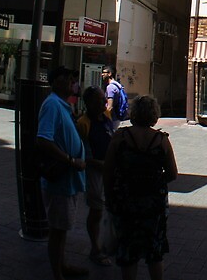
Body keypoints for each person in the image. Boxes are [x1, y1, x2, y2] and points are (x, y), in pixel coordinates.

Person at [104, 95, 178, 280]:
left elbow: (108, 170)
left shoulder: (120, 137)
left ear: (134, 113)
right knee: (154, 251)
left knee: (128, 251)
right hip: (153, 204)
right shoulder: (161, 140)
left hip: (125, 201)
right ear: (154, 114)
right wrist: (154, 182)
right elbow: (172, 173)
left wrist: (110, 196)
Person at [36, 66, 88, 280]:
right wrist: (70, 160)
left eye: (73, 79)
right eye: (68, 79)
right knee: (57, 230)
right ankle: (58, 273)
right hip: (59, 180)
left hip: (68, 180)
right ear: (56, 81)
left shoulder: (62, 105)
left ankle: (62, 265)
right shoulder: (52, 106)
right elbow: (43, 139)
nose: (72, 83)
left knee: (62, 228)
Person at [76, 86, 115, 266]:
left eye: (104, 98)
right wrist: (98, 163)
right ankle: (95, 248)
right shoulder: (83, 123)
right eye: (100, 99)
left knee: (108, 208)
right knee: (96, 210)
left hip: (109, 170)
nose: (104, 102)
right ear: (90, 103)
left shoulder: (106, 117)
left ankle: (108, 245)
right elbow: (83, 152)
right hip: (94, 173)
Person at [102, 66, 125, 131]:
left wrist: (104, 118)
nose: (102, 74)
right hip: (116, 118)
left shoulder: (110, 87)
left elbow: (109, 107)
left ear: (109, 74)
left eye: (104, 72)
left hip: (112, 118)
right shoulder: (117, 85)